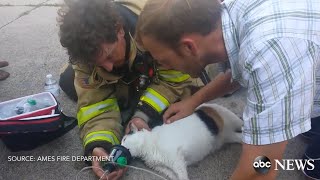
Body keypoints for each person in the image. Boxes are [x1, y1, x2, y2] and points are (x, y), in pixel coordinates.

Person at [135, 0, 320, 179]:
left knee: (312, 166)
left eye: (162, 61)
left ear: (188, 47)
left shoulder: (269, 53)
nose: (163, 66)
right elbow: (241, 71)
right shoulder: (230, 16)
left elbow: (259, 168)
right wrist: (194, 101)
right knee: (304, 127)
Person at [58, 0, 199, 179]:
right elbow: (94, 105)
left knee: (181, 98)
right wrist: (99, 146)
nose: (108, 68)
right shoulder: (84, 56)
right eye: (98, 63)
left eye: (109, 56)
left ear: (120, 30)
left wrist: (142, 116)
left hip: (147, 42)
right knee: (69, 82)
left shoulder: (158, 32)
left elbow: (173, 79)